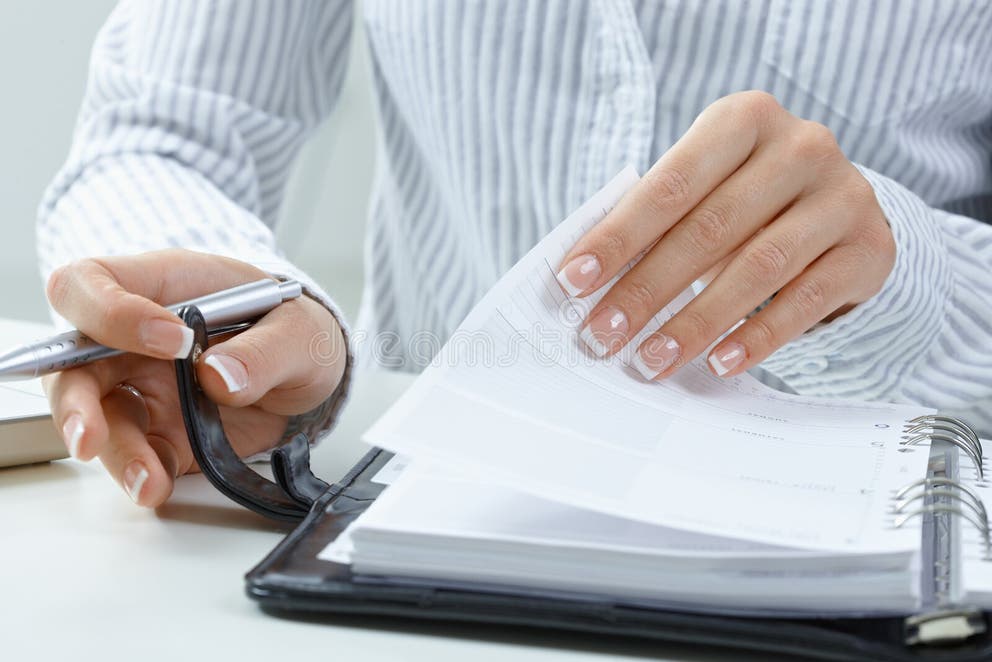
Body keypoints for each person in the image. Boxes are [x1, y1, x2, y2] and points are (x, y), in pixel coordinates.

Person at [39, 1, 992, 507]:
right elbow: (162, 134)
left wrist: (896, 277)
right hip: (408, 515)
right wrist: (235, 327)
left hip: (879, 517)